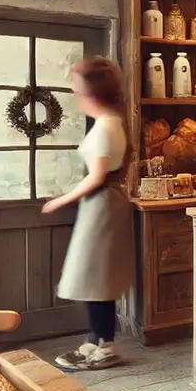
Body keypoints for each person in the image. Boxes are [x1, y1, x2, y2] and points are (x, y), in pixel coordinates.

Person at [45, 57, 134, 371]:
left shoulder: (107, 126)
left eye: (78, 90)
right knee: (96, 277)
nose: (75, 96)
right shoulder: (112, 122)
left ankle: (105, 345)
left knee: (95, 277)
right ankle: (96, 340)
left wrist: (61, 200)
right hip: (103, 205)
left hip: (102, 205)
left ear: (92, 94)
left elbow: (96, 176)